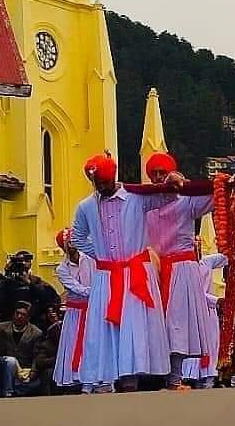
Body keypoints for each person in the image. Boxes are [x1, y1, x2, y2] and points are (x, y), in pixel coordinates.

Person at [71, 154, 191, 392]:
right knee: (106, 328)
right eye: (97, 183)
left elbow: (168, 196)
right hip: (107, 274)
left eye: (105, 182)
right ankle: (104, 380)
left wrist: (174, 179)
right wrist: (100, 254)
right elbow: (77, 237)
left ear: (113, 175)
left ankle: (130, 381)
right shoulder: (86, 206)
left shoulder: (137, 197)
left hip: (135, 273)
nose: (101, 187)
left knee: (134, 328)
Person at [144, 153, 214, 390]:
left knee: (178, 325)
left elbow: (215, 196)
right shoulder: (146, 205)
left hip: (182, 270)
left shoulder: (187, 201)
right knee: (155, 326)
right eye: (154, 174)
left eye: (162, 173)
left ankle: (175, 377)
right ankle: (153, 377)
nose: (158, 178)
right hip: (154, 270)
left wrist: (185, 185)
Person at [54, 228, 96, 392]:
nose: (72, 245)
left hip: (92, 311)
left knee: (93, 344)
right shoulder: (62, 269)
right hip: (75, 313)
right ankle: (77, 378)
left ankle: (96, 379)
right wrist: (97, 291)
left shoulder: (90, 259)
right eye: (68, 243)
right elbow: (76, 288)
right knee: (74, 345)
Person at [182, 251, 228, 388]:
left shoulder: (205, 262)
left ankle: (208, 378)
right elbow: (197, 293)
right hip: (193, 312)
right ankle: (191, 377)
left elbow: (226, 257)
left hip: (209, 314)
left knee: (212, 344)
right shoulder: (183, 268)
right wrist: (217, 301)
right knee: (194, 344)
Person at [0, 303, 42, 397]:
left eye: (23, 315)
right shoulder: (0, 328)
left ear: (28, 318)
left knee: (36, 382)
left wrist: (33, 372)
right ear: (13, 314)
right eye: (17, 313)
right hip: (2, 363)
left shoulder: (36, 333)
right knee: (11, 361)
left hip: (23, 368)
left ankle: (16, 390)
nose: (19, 316)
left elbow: (37, 355)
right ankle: (8, 393)